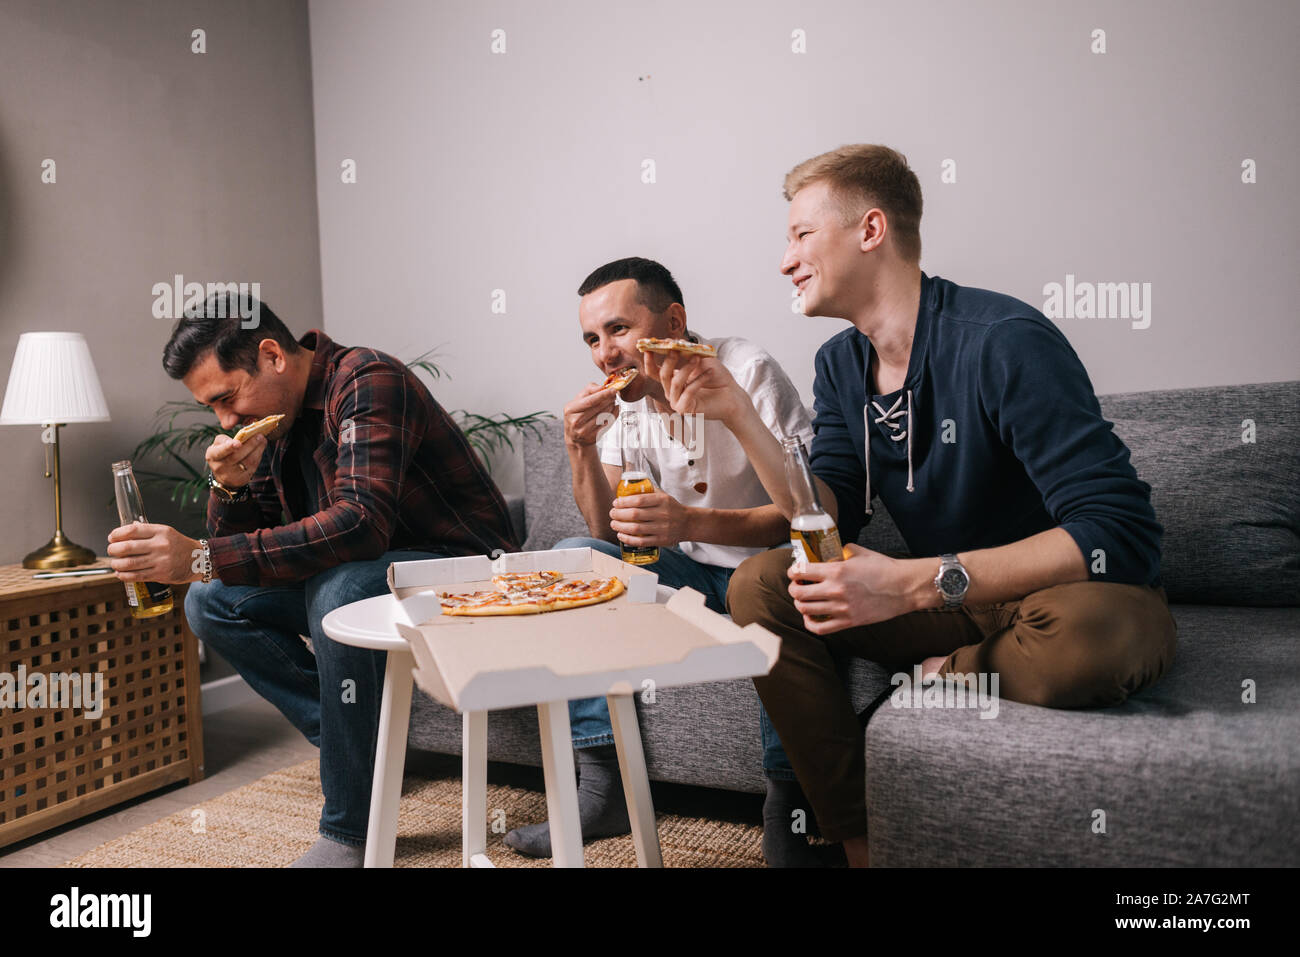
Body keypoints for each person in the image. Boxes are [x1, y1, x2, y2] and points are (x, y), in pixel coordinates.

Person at [702, 144, 1179, 867]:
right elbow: (825, 518)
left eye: (801, 234)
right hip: (944, 602)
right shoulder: (839, 364)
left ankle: (951, 672)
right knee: (759, 585)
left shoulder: (1003, 341)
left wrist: (909, 583)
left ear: (870, 230)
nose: (785, 259)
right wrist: (738, 414)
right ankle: (860, 840)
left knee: (1090, 637)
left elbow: (1121, 533)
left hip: (1059, 596)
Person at [106, 293, 517, 867]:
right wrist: (229, 488)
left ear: (272, 354)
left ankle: (352, 832)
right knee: (209, 602)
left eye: (227, 398)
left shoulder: (367, 380)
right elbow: (257, 549)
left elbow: (358, 526)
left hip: (466, 572)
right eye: (213, 408)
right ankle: (360, 751)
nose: (225, 421)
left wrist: (197, 555)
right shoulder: (272, 428)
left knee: (336, 590)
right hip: (365, 578)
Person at [501, 257, 827, 866]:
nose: (605, 354)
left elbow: (804, 516)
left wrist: (690, 524)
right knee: (577, 562)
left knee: (777, 576)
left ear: (672, 320)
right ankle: (604, 786)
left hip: (769, 573)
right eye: (592, 339)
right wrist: (579, 446)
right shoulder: (624, 407)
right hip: (689, 582)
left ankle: (791, 802)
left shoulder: (747, 370)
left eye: (619, 330)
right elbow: (605, 532)